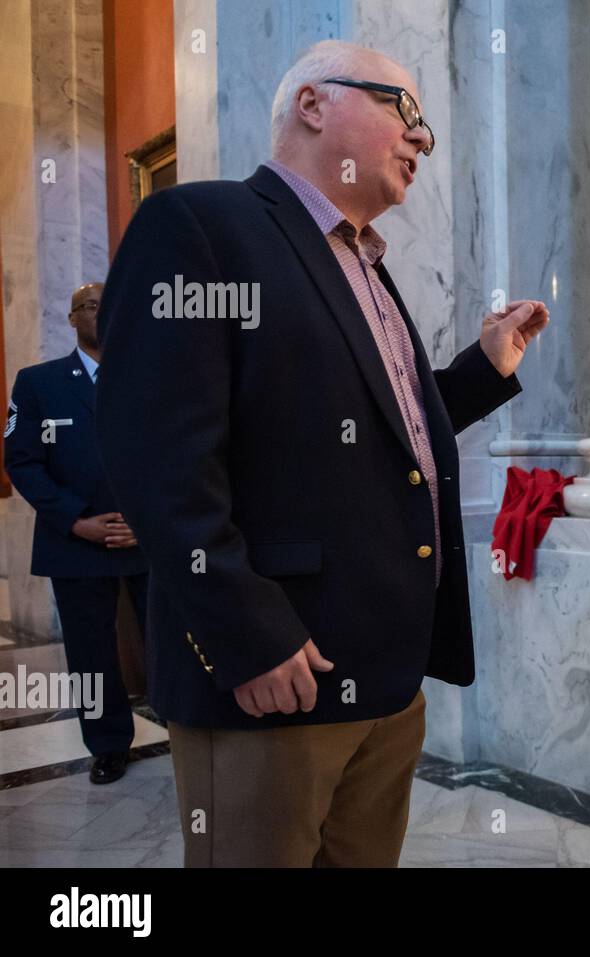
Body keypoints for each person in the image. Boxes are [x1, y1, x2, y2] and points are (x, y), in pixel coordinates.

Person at [95, 40, 548, 867]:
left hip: (386, 682)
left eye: (427, 129)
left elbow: (382, 434)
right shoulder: (200, 224)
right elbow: (157, 456)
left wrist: (483, 371)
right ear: (313, 104)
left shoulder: (366, 263)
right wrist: (247, 635)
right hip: (274, 679)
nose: (422, 141)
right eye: (404, 112)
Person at [5, 281, 148, 785]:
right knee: (91, 651)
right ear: (71, 320)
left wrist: (147, 520)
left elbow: (178, 458)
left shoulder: (150, 379)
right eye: (89, 306)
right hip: (76, 542)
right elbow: (22, 462)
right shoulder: (38, 383)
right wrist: (76, 519)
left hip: (147, 538)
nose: (101, 313)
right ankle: (108, 745)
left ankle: (189, 724)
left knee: (169, 638)